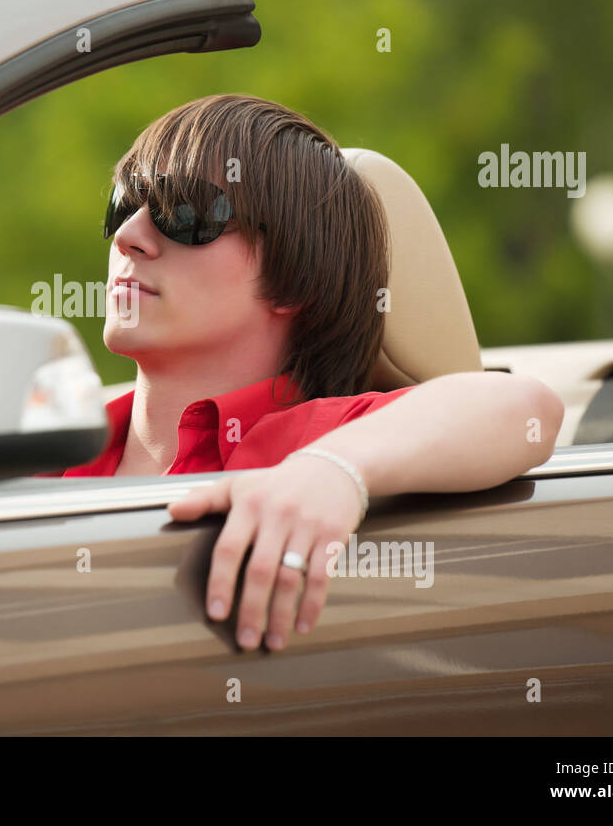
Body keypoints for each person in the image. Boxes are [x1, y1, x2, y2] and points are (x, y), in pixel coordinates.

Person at [50, 93, 563, 652]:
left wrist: (333, 473)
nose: (129, 236)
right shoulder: (44, 440)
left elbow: (526, 408)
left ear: (294, 281)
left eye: (186, 213)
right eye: (124, 204)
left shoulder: (317, 439)